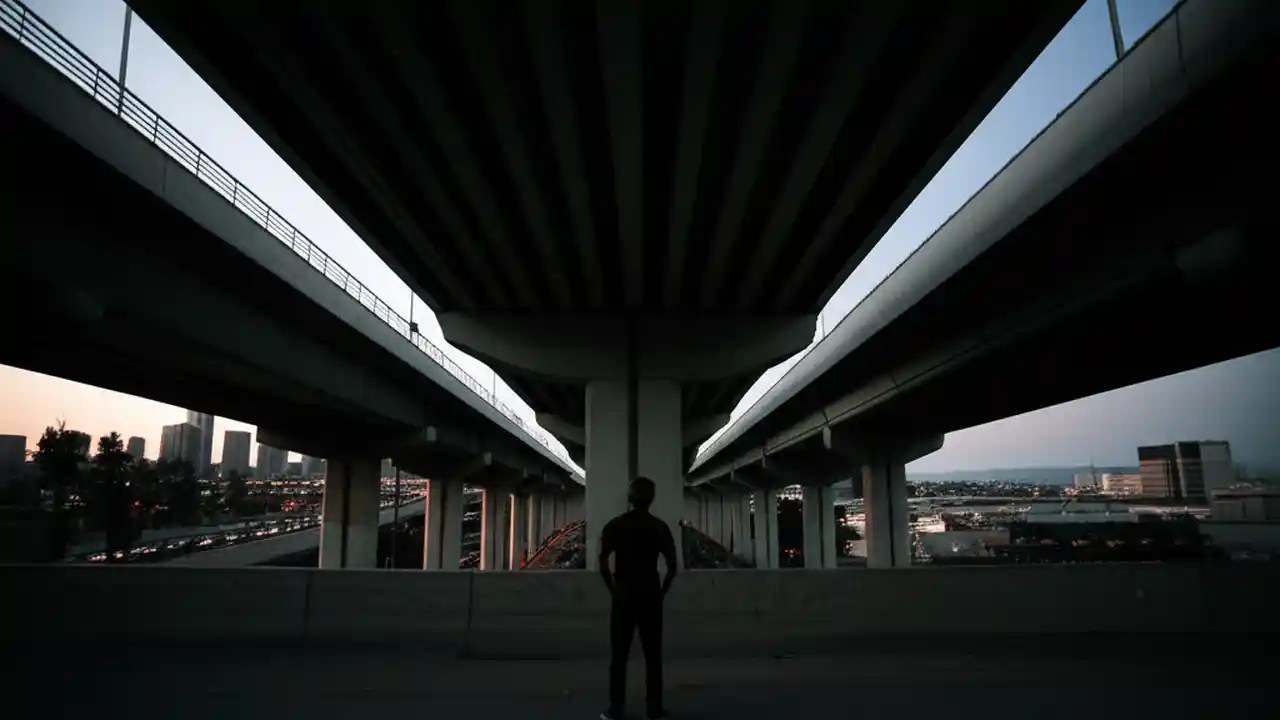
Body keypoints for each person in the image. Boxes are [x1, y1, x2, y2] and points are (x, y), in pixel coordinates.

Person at [598, 476, 677, 720]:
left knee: (619, 656)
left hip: (623, 595)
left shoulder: (614, 526)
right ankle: (654, 709)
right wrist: (661, 593)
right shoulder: (660, 527)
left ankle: (615, 709)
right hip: (651, 595)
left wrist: (614, 590)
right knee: (653, 655)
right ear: (652, 499)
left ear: (630, 498)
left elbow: (602, 563)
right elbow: (672, 567)